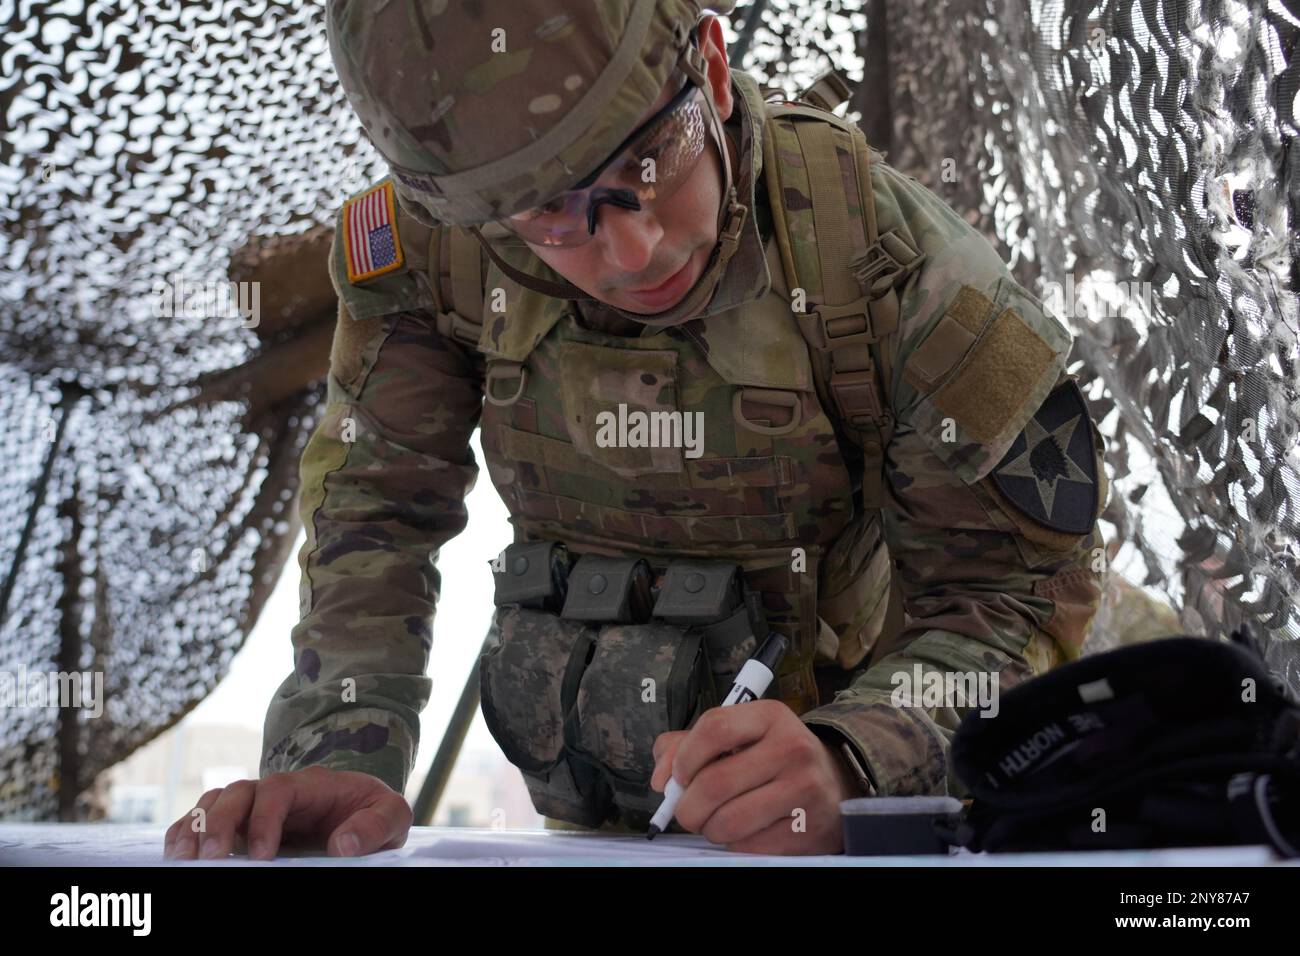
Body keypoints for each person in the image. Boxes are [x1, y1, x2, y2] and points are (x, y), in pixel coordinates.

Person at [163, 0, 1108, 861]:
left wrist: (857, 761)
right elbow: (375, 509)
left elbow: (1017, 592)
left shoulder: (891, 264)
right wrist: (343, 750)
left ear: (713, 65)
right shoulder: (430, 250)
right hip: (596, 817)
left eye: (648, 167)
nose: (632, 249)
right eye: (551, 216)